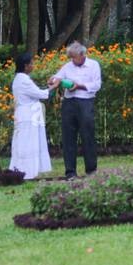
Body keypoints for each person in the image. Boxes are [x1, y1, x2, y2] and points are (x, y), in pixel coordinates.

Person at [49, 41, 102, 179]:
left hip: (85, 102)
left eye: (74, 57)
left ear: (82, 54)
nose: (72, 60)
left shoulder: (93, 65)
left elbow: (97, 84)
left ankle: (91, 170)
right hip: (69, 103)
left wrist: (79, 86)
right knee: (68, 137)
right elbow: (57, 77)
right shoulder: (68, 66)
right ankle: (70, 172)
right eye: (71, 57)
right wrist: (53, 80)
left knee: (87, 135)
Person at [9, 53, 52, 179]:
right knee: (27, 144)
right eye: (31, 64)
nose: (33, 66)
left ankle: (24, 169)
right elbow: (39, 93)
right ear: (26, 66)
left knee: (25, 142)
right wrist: (52, 88)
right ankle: (26, 171)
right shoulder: (23, 80)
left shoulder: (21, 78)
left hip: (27, 115)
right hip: (27, 117)